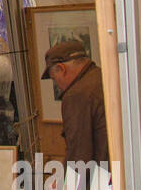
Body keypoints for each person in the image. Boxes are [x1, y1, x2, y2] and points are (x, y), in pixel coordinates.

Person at [41, 38, 109, 174]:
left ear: (61, 68)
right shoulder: (103, 77)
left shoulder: (76, 95)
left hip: (100, 183)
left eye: (54, 79)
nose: (58, 86)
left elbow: (79, 153)